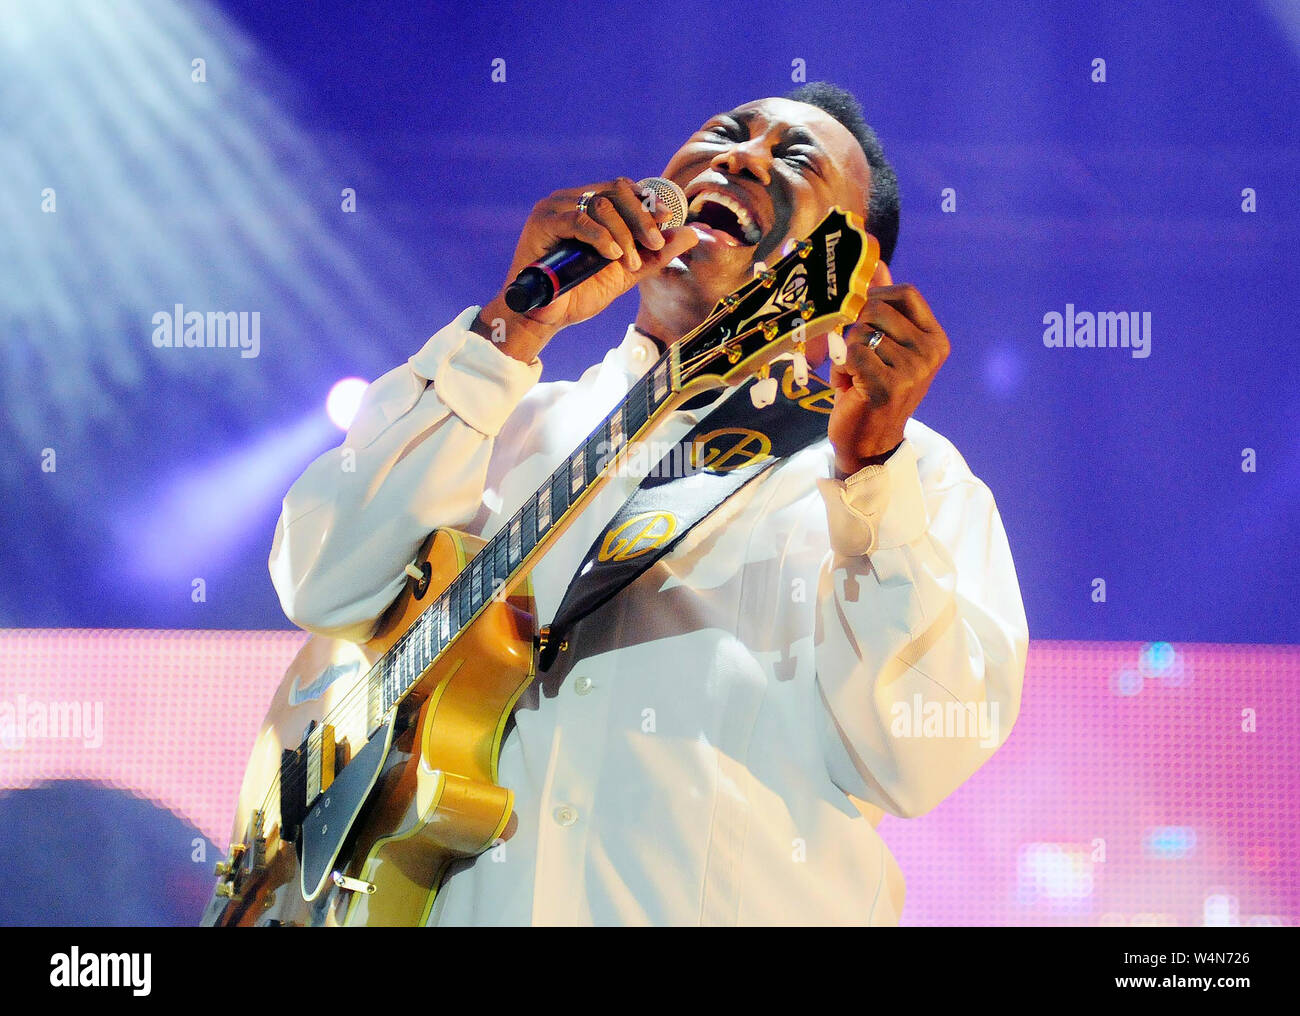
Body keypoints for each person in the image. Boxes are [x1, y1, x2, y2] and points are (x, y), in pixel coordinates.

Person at [269, 82, 1028, 925]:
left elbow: (918, 757)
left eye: (795, 159)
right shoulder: (506, 418)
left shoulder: (908, 478)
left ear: (856, 281)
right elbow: (322, 582)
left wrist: (872, 480)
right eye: (725, 136)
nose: (741, 158)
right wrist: (510, 328)